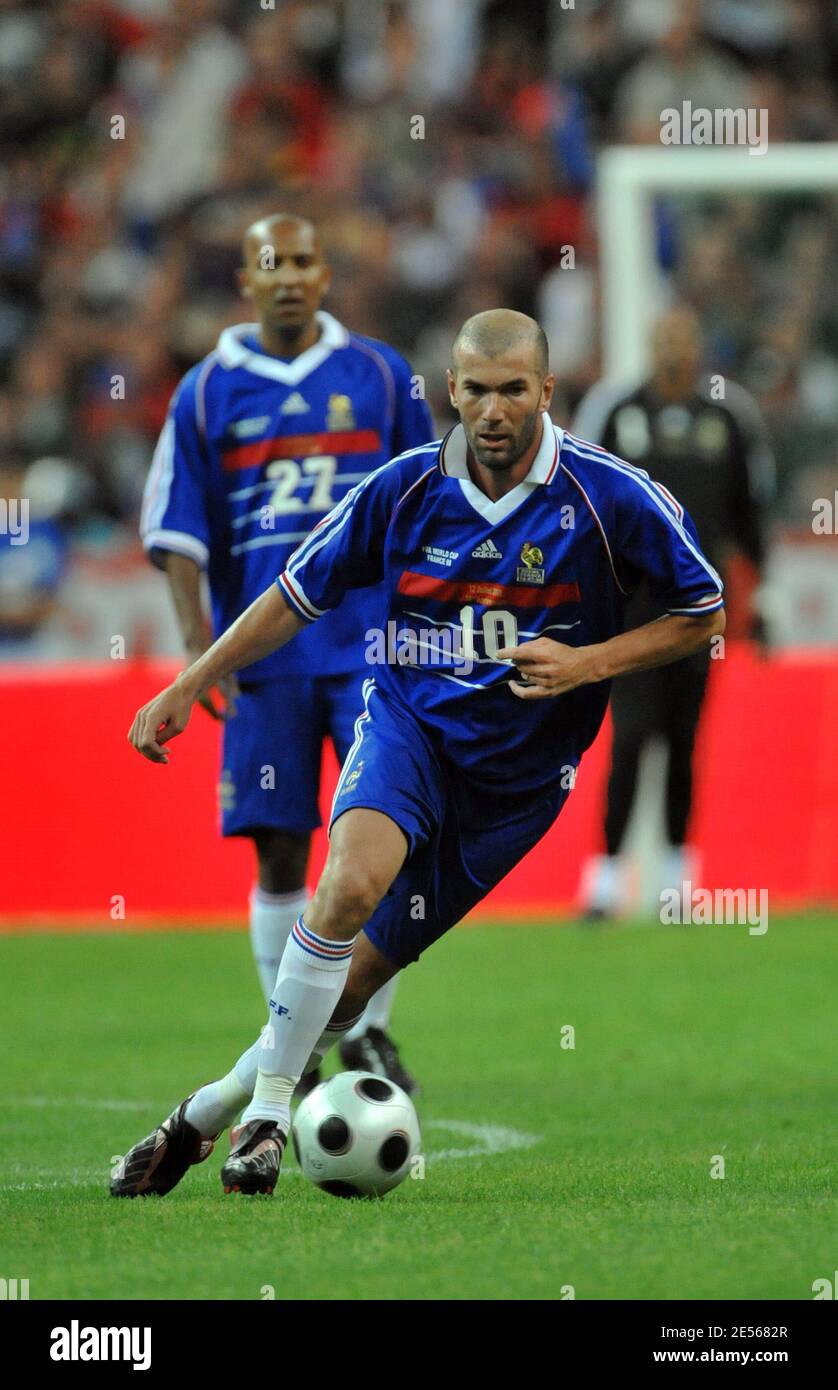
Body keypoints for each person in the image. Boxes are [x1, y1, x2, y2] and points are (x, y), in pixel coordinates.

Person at [113, 308, 724, 1199]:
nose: (494, 409)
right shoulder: (402, 489)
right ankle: (269, 1121)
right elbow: (293, 594)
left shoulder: (610, 496)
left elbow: (700, 613)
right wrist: (185, 679)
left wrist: (589, 661)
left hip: (515, 787)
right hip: (407, 729)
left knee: (352, 990)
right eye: (476, 389)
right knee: (346, 885)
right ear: (453, 392)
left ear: (546, 392)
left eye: (515, 389)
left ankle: (201, 1115)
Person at [140, 213, 433, 1091]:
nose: (292, 276)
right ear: (247, 280)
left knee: (383, 842)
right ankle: (288, 1043)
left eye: (306, 259)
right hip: (266, 662)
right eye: (273, 263)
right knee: (279, 849)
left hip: (372, 651)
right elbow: (177, 530)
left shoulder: (380, 375)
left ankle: (367, 1029)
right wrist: (202, 652)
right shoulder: (203, 392)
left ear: (327, 272)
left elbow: (431, 504)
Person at [574, 305, 773, 917]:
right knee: (630, 738)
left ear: (697, 346)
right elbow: (579, 501)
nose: (674, 350)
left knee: (685, 741)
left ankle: (679, 884)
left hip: (699, 615)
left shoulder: (728, 415)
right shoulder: (616, 409)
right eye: (663, 339)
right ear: (650, 343)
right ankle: (606, 882)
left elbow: (750, 513)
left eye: (683, 339)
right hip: (632, 611)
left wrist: (763, 600)